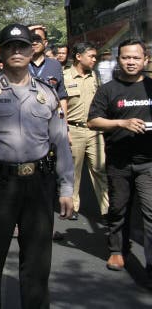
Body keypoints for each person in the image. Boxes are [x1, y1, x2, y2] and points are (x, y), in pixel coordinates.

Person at [0, 23, 74, 309]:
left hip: (39, 185)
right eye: (10, 47)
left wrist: (67, 186)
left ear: (32, 49)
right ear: (0, 53)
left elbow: (61, 142)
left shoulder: (47, 94)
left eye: (22, 46)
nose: (16, 51)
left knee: (37, 264)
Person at [87, 38, 152, 281]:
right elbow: (93, 121)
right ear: (119, 60)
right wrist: (121, 123)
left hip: (148, 162)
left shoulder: (151, 87)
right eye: (126, 57)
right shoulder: (108, 90)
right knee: (118, 207)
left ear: (145, 60)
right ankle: (117, 249)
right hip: (119, 162)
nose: (131, 62)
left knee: (150, 212)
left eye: (136, 57)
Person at [63, 42, 109, 221]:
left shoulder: (95, 76)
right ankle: (72, 206)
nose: (94, 60)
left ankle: (107, 210)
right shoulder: (64, 76)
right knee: (73, 172)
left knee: (101, 169)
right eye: (91, 56)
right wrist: (63, 129)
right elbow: (61, 106)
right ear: (78, 57)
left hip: (94, 131)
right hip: (73, 130)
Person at [29, 30, 68, 117]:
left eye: (38, 39)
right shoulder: (19, 65)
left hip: (50, 122)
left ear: (45, 42)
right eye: (31, 39)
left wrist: (63, 125)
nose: (34, 42)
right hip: (25, 123)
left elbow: (61, 98)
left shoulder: (55, 65)